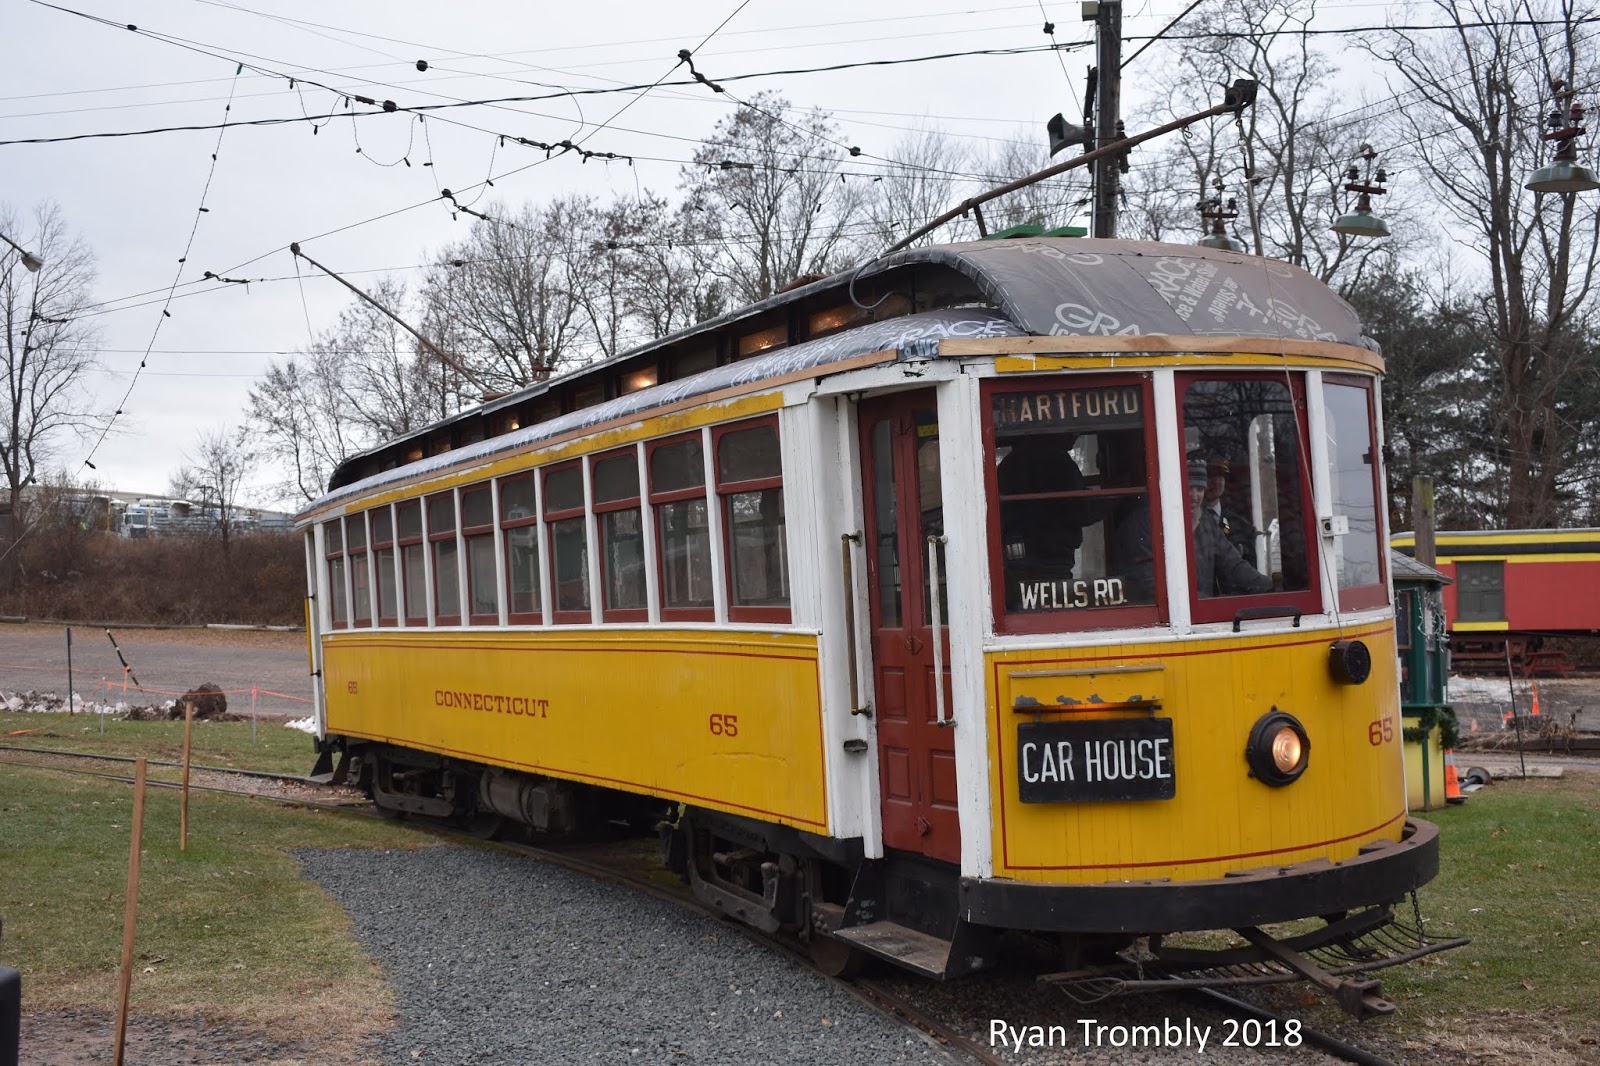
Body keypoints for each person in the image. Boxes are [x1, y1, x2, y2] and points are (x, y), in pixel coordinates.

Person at [1189, 459, 1273, 597]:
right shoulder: (1164, 526)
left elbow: (1233, 562)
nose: (1194, 496)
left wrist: (1268, 586)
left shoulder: (1207, 523)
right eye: (1189, 488)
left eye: (1199, 489)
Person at [1201, 456, 1258, 567]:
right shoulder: (1189, 521)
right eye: (1210, 477)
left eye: (1221, 477)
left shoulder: (1242, 526)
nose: (1216, 483)